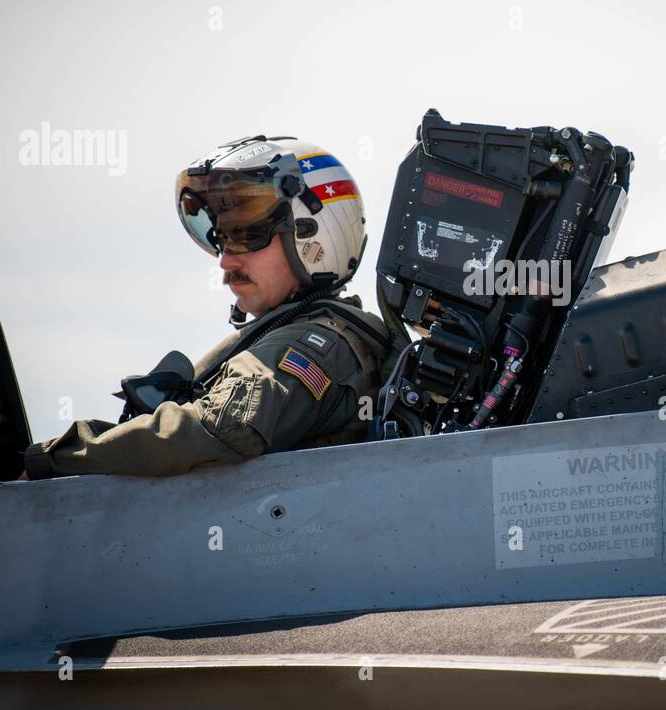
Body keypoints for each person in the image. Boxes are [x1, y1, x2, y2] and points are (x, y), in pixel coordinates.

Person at [20, 136, 393, 479]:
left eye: (247, 235)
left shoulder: (308, 347)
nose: (226, 263)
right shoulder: (324, 336)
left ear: (313, 238)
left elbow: (214, 430)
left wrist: (52, 460)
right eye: (224, 238)